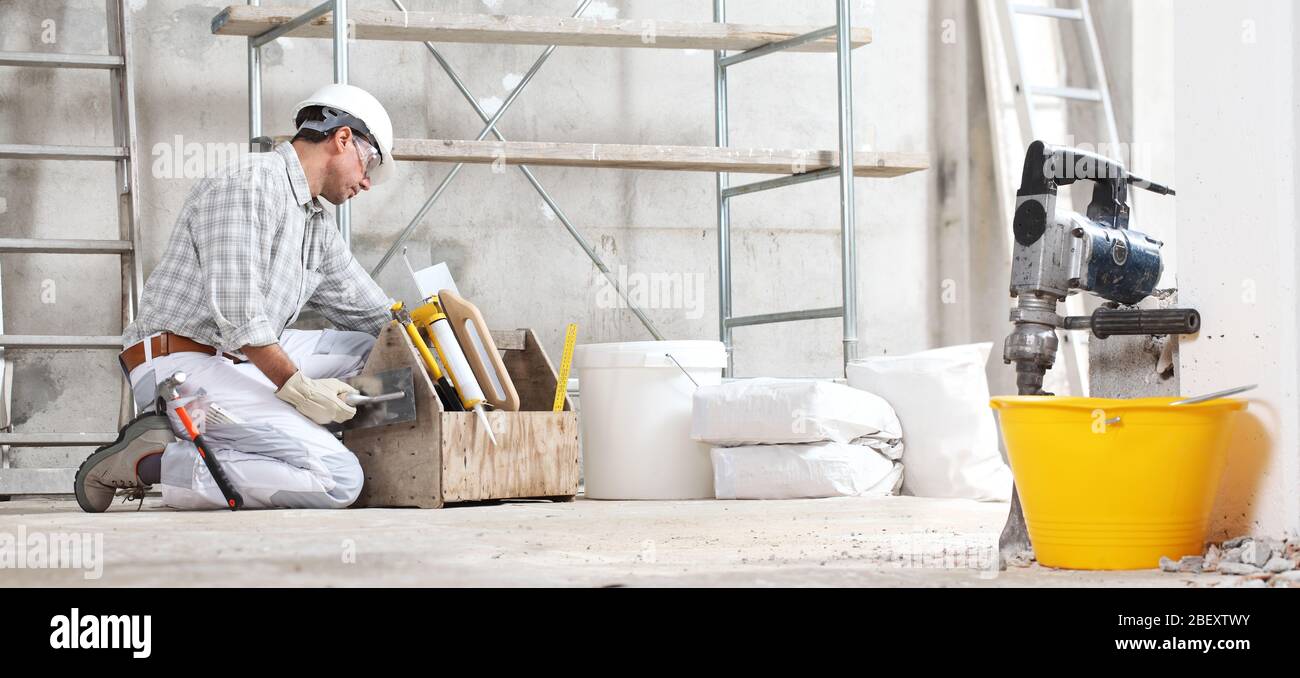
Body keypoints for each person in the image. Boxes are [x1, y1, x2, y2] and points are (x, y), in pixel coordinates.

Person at [74, 84, 398, 512]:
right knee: (337, 479)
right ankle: (155, 460)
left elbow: (374, 313)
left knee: (373, 348)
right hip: (181, 367)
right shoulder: (248, 184)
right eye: (369, 161)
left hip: (241, 360)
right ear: (341, 139)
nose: (368, 181)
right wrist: (297, 389)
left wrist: (434, 338)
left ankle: (291, 442)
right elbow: (239, 315)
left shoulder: (316, 224)